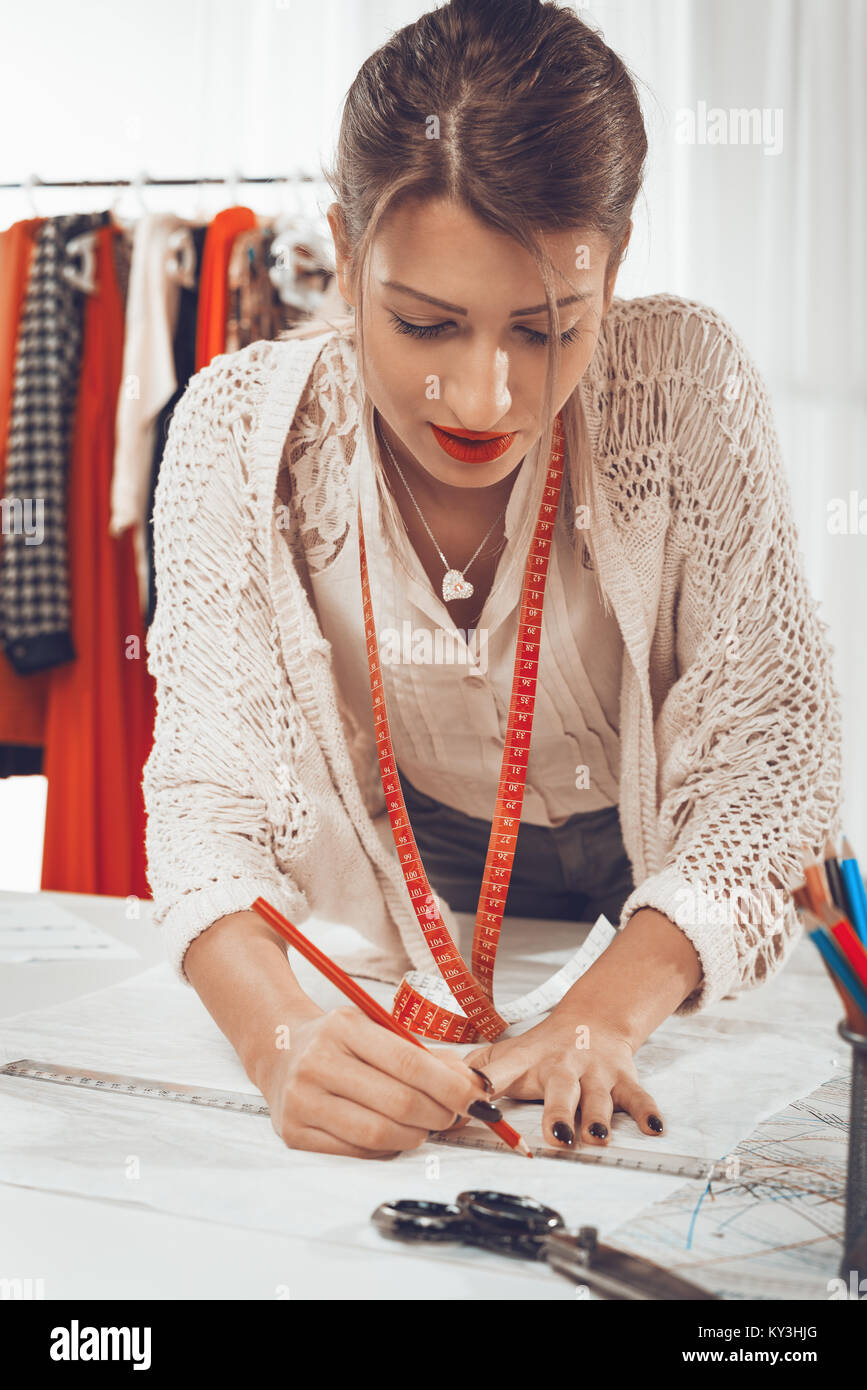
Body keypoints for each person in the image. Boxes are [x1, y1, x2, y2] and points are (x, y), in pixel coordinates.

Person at [143, 0, 842, 1159]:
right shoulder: (233, 429)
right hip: (424, 858)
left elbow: (772, 762)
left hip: (664, 860)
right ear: (345, 247)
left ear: (613, 270)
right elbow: (202, 803)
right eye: (424, 324)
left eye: (547, 328)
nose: (483, 399)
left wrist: (605, 1013)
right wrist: (279, 1044)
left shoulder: (686, 380)